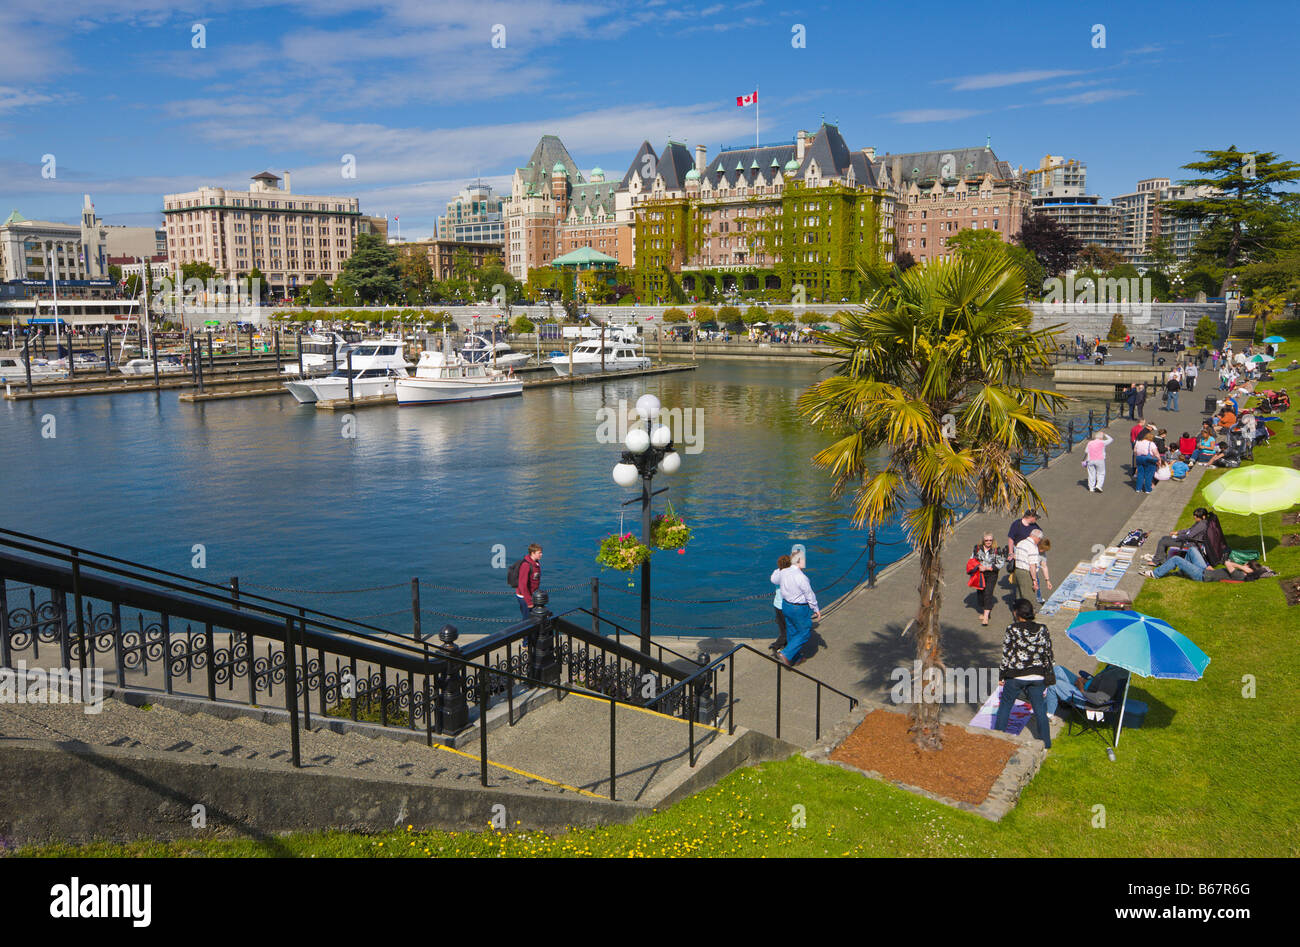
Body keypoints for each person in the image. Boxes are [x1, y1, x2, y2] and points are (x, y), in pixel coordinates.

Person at [993, 598, 1054, 748]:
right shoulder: (1043, 629)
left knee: (1006, 706)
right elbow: (1048, 654)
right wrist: (1047, 673)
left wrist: (1002, 675)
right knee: (1040, 709)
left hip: (1016, 676)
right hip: (1038, 676)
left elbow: (1006, 654)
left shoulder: (1012, 629)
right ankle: (1046, 744)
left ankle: (997, 740)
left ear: (1016, 613)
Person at [771, 558, 820, 666]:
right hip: (798, 607)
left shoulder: (781, 573)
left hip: (785, 605)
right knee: (805, 632)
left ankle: (795, 657)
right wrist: (815, 608)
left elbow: (774, 579)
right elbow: (809, 594)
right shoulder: (801, 577)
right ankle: (786, 653)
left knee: (791, 631)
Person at [1044, 664, 1129, 718]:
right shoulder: (1115, 668)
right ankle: (1042, 691)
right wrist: (1085, 681)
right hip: (1085, 685)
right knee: (1058, 669)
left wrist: (1081, 689)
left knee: (1054, 685)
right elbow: (1098, 681)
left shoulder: (1112, 679)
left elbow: (1099, 699)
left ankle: (1049, 714)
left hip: (1085, 699)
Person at [1144, 507, 1209, 566]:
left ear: (1203, 517)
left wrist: (1177, 537)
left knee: (1163, 542)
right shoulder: (1200, 522)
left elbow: (1189, 536)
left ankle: (1156, 561)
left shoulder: (1202, 525)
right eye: (1194, 516)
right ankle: (1162, 560)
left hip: (1190, 543)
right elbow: (1189, 530)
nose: (1195, 518)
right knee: (1164, 538)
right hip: (1188, 540)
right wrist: (1177, 532)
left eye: (1196, 517)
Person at [1141, 553, 1265, 583]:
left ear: (1249, 569)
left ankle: (1155, 574)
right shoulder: (1242, 574)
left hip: (1202, 576)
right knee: (1192, 551)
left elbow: (1227, 563)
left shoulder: (1241, 575)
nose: (1244, 564)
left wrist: (1241, 567)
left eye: (1247, 565)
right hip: (1206, 571)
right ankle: (1184, 572)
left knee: (1176, 559)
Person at [970, 533, 1003, 626]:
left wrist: (988, 568)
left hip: (992, 574)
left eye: (990, 540)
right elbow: (972, 560)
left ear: (993, 540)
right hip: (980, 574)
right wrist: (978, 566)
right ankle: (985, 610)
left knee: (988, 593)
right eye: (986, 540)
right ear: (983, 541)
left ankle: (986, 617)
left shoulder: (997, 550)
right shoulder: (977, 549)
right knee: (981, 594)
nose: (988, 542)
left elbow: (1000, 563)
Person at [1012, 528, 1043, 607]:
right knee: (1028, 597)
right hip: (1026, 573)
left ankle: (1019, 614)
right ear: (1037, 538)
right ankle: (1029, 614)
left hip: (1018, 571)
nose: (1039, 541)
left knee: (1019, 595)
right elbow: (1032, 565)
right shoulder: (1032, 546)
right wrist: (1034, 580)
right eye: (1039, 539)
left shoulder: (1020, 543)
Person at [514, 543, 543, 620]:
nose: (541, 554)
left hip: (532, 595)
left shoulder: (536, 563)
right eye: (539, 553)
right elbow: (522, 584)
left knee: (534, 617)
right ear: (532, 553)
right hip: (524, 597)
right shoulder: (526, 565)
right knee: (527, 619)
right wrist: (529, 602)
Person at [769, 555, 791, 653]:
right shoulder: (790, 574)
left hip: (777, 604)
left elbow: (773, 579)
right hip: (787, 604)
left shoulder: (776, 573)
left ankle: (781, 644)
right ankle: (779, 645)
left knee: (782, 626)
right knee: (788, 627)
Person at [1035, 538, 1053, 604]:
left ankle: (1039, 597)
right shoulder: (1032, 548)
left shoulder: (1043, 553)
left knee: (1037, 584)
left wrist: (1047, 580)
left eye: (1044, 550)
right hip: (1026, 570)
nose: (1042, 551)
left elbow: (1044, 566)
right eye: (1042, 549)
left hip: (1035, 572)